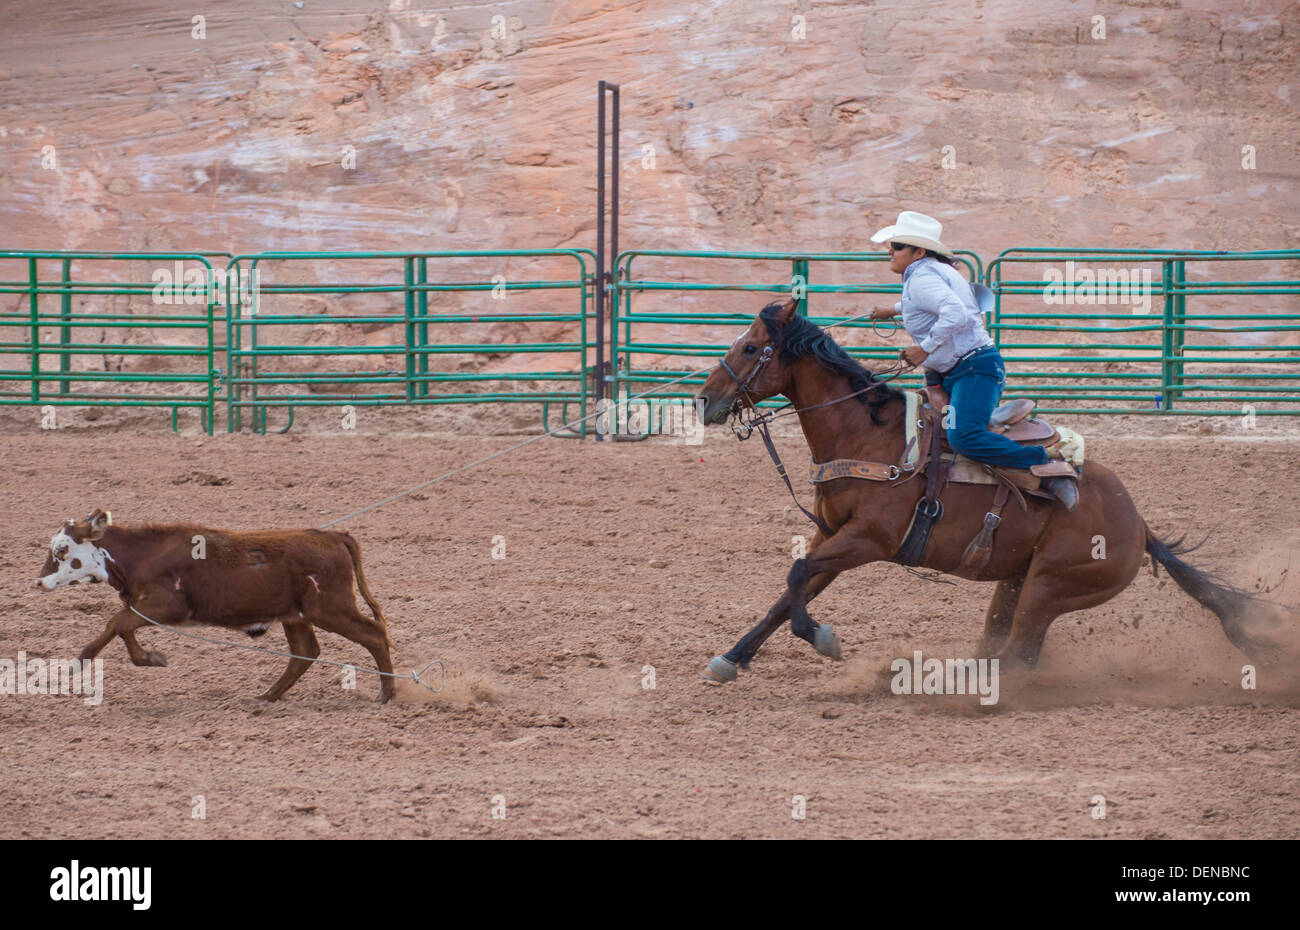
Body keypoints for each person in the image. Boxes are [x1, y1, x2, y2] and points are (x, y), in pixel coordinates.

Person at [867, 210, 1078, 510]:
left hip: (972, 369)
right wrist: (894, 309)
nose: (890, 250)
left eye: (898, 245)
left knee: (964, 436)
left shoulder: (923, 277)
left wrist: (924, 348)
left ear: (919, 251)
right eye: (893, 244)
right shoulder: (928, 272)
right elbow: (930, 301)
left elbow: (955, 312)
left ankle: (1044, 462)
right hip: (963, 367)